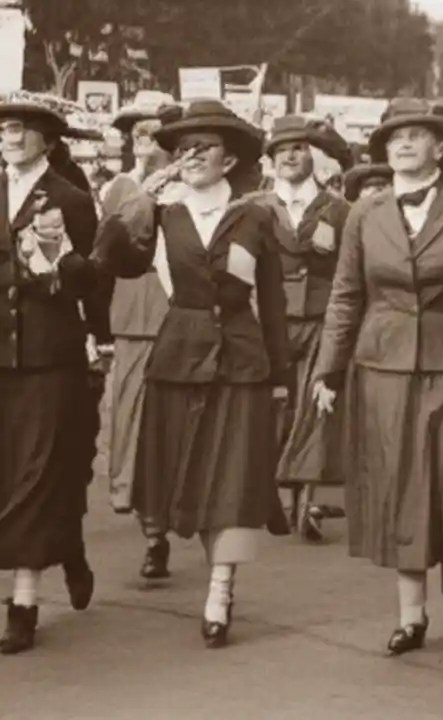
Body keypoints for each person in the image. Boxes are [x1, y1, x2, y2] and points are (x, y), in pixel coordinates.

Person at [93, 99, 291, 649]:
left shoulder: (257, 217)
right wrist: (141, 195)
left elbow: (270, 301)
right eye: (182, 150)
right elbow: (115, 259)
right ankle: (185, 555)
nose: (190, 157)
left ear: (230, 161)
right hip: (179, 358)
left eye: (203, 149)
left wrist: (281, 376)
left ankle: (220, 591)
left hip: (241, 360)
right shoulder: (164, 215)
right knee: (184, 473)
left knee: (232, 479)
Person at [311, 98, 443, 655]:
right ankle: (411, 615)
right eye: (394, 137)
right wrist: (328, 369)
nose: (402, 144)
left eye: (416, 136)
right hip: (383, 366)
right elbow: (346, 296)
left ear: (439, 148)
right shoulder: (365, 213)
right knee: (400, 483)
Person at [0, 100, 104, 654]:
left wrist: (52, 268)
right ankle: (69, 543)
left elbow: (89, 281)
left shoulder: (70, 200)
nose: (8, 138)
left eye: (18, 130)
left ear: (44, 139)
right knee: (6, 471)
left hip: (48, 356)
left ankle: (23, 603)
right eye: (3, 131)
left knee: (35, 476)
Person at [249, 115, 352, 542]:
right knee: (271, 407)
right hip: (267, 320)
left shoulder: (339, 209)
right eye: (281, 150)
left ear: (314, 155)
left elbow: (351, 271)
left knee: (316, 406)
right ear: (270, 160)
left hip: (321, 318)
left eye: (299, 148)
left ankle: (307, 500)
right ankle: (271, 493)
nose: (290, 155)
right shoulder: (255, 207)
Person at [99, 102, 187, 580]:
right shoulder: (117, 188)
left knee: (175, 426)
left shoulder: (189, 189)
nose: (142, 141)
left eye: (152, 134)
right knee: (130, 426)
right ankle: (152, 533)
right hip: (132, 318)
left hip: (179, 318)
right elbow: (105, 247)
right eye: (136, 134)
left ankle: (174, 516)